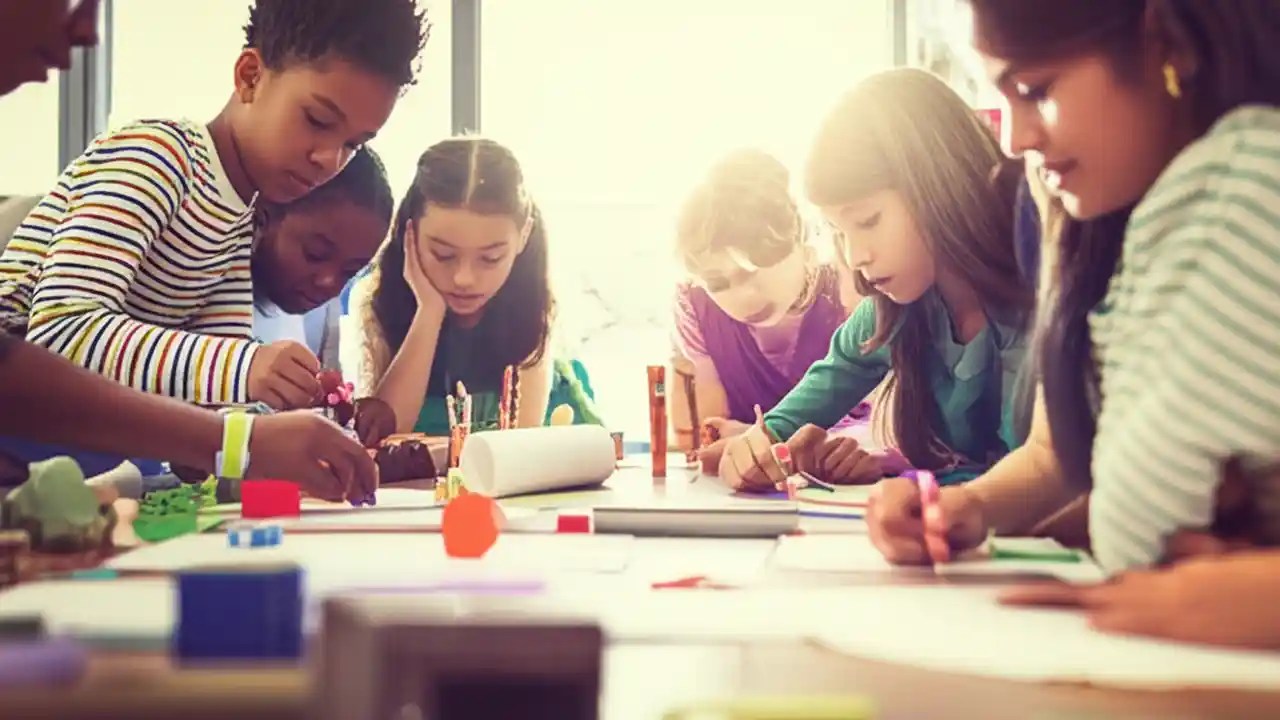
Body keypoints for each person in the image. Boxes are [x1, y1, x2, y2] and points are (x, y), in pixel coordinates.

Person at [866, 0, 1280, 576]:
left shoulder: (1249, 183)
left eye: (1035, 90)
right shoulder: (1073, 208)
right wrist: (968, 507)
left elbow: (1154, 526)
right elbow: (1056, 452)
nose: (1014, 140)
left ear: (1164, 42)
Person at [0, 0, 378, 500]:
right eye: (316, 119)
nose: (328, 159)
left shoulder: (238, 218)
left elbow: (211, 398)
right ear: (250, 77)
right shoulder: (157, 155)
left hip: (80, 456)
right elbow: (60, 335)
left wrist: (275, 417)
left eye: (353, 144)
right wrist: (245, 367)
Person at [719, 68, 1033, 493]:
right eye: (838, 232)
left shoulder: (1031, 303)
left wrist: (908, 481)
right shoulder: (892, 312)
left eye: (868, 221)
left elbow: (1034, 477)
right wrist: (758, 448)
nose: (855, 257)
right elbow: (816, 394)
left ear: (939, 185)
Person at [669, 149, 869, 467]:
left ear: (798, 237)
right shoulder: (695, 306)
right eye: (717, 283)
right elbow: (708, 436)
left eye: (751, 270)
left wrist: (766, 439)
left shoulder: (853, 286)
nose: (742, 298)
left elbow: (897, 431)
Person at [347, 137, 557, 434]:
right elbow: (382, 434)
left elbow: (516, 446)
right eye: (443, 255)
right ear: (410, 234)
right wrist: (429, 313)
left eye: (491, 258)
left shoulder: (531, 304)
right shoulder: (377, 300)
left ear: (523, 237)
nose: (464, 278)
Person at [253, 145, 395, 371]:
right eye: (315, 254)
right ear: (266, 215)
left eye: (350, 272)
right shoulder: (208, 295)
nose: (328, 282)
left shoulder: (318, 316)